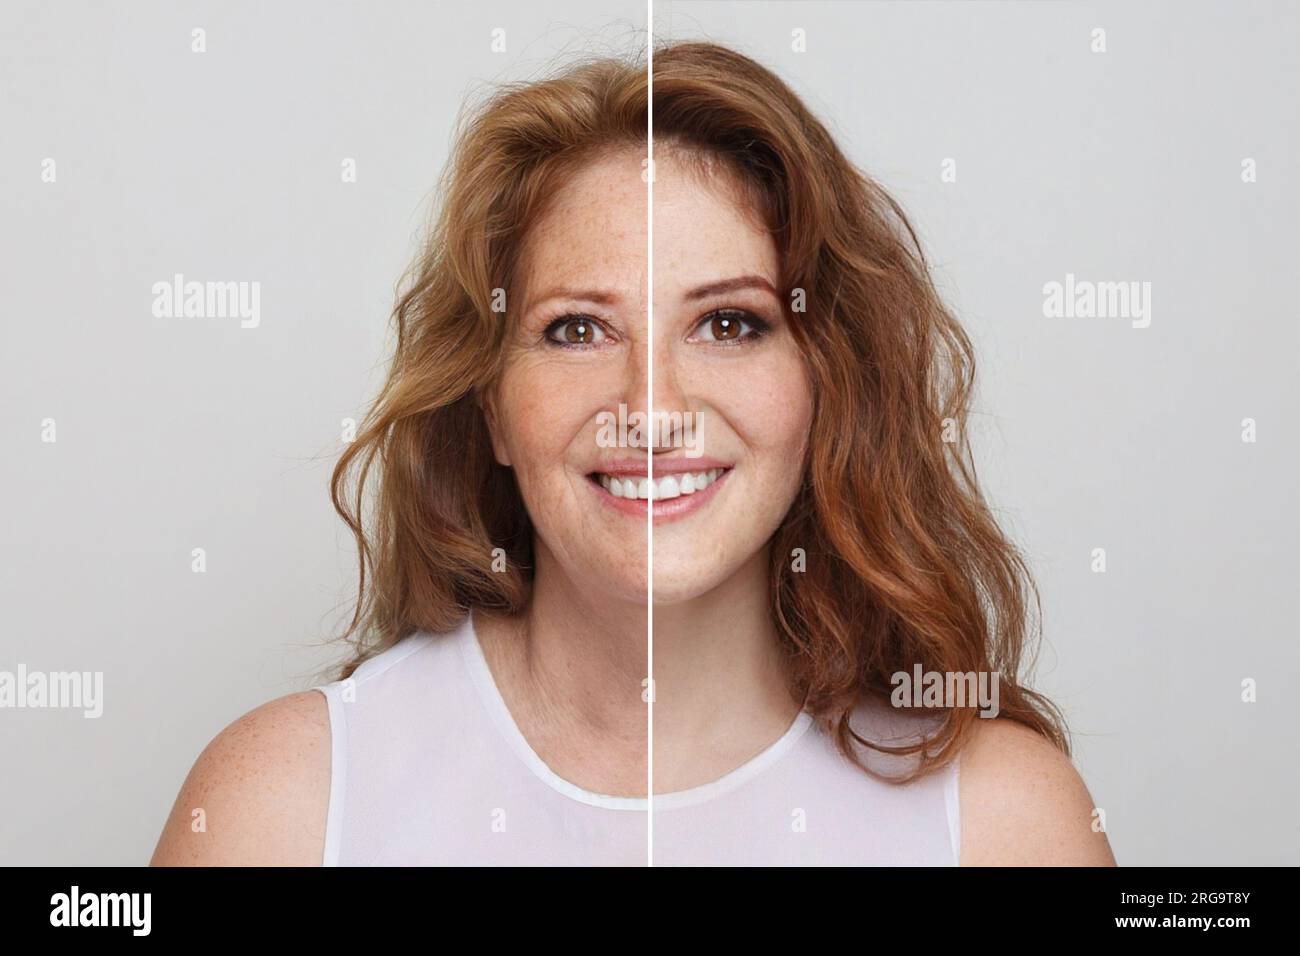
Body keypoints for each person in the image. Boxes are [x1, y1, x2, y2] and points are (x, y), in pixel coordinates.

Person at [151, 41, 1115, 866]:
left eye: (730, 323)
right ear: (491, 405)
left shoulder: (1003, 822)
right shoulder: (278, 812)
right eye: (576, 330)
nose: (652, 411)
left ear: (827, 383)